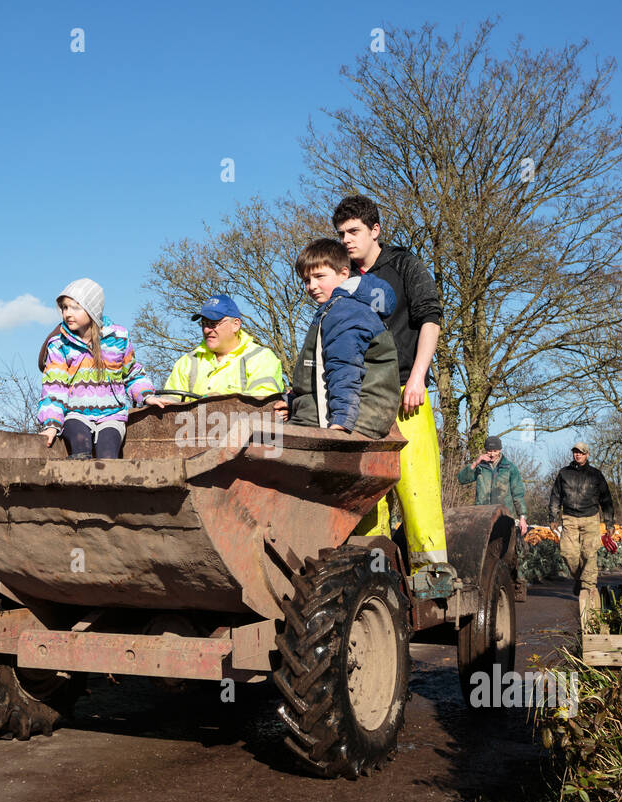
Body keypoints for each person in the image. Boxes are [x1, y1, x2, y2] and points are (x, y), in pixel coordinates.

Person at [333, 195, 450, 590]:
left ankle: (432, 578)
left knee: (416, 486)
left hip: (406, 392)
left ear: (375, 231)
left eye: (354, 232)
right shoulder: (344, 278)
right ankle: (375, 581)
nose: (347, 240)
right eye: (341, 233)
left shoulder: (404, 265)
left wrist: (418, 377)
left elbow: (430, 319)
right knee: (366, 491)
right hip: (361, 400)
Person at [275, 238, 400, 438]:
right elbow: (318, 370)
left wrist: (342, 421)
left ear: (343, 273)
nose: (312, 286)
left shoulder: (344, 310)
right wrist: (292, 401)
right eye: (307, 280)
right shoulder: (338, 309)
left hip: (343, 417)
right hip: (331, 411)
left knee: (259, 446)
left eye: (319, 276)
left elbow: (345, 365)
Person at [36, 278, 168, 458]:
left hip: (111, 415)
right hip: (75, 414)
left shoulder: (118, 338)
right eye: (65, 308)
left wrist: (147, 395)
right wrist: (51, 424)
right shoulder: (60, 344)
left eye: (75, 307)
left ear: (92, 309)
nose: (67, 313)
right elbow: (54, 387)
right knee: (81, 444)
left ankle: (107, 485)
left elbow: (131, 373)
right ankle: (78, 483)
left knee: (108, 453)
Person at [163, 294, 285, 398]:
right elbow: (170, 404)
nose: (206, 330)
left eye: (213, 323)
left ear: (236, 324)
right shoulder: (186, 362)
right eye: (203, 323)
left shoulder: (261, 358)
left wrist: (224, 404)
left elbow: (263, 401)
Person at [549, 441, 616, 599]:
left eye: (581, 452)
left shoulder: (596, 475)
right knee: (567, 553)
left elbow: (606, 500)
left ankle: (589, 589)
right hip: (569, 519)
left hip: (591, 518)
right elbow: (555, 496)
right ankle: (580, 579)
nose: (577, 454)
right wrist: (553, 517)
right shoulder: (563, 473)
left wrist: (609, 523)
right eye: (575, 452)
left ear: (587, 454)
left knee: (589, 554)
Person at [457, 436, 529, 536]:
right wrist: (476, 462)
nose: (491, 454)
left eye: (495, 451)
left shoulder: (509, 468)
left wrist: (522, 517)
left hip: (504, 517)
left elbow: (518, 494)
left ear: (500, 450)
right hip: (482, 517)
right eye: (489, 451)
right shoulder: (479, 467)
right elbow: (461, 479)